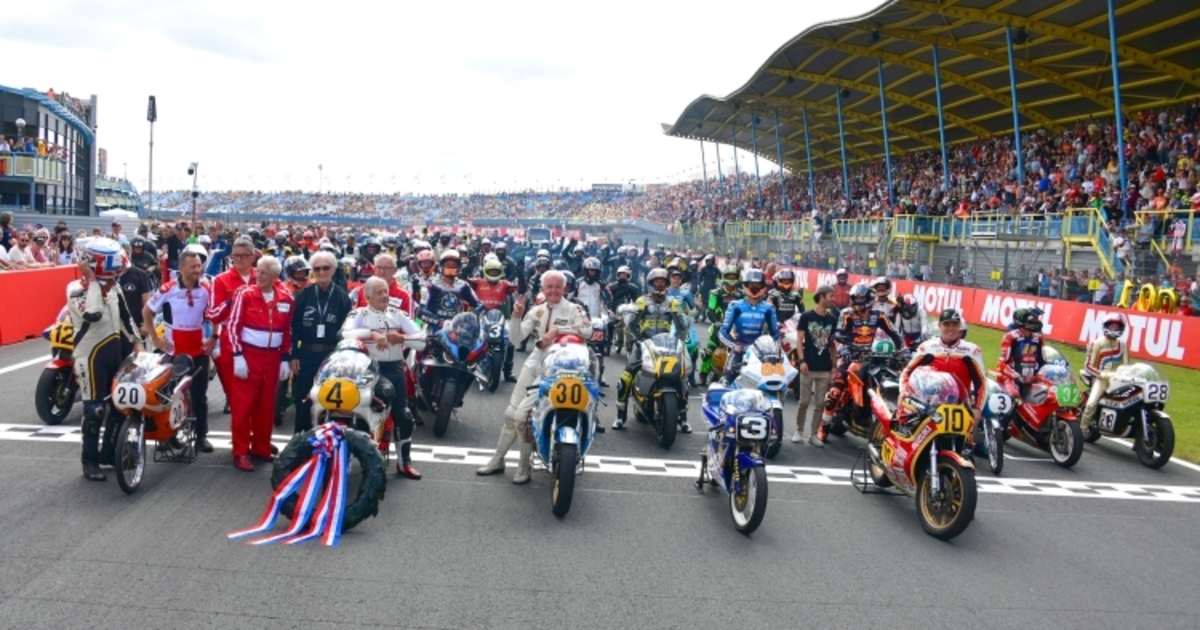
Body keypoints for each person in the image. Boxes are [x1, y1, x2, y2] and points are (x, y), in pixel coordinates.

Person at [478, 271, 590, 483]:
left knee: (522, 418)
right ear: (543, 289)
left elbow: (587, 331)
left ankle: (523, 467)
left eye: (558, 286)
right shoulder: (536, 311)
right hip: (535, 362)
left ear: (564, 289)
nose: (553, 290)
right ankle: (498, 460)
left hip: (560, 365)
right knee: (510, 414)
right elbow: (515, 338)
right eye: (549, 287)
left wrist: (556, 331)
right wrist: (516, 316)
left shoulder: (575, 309)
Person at [67, 238, 143, 480]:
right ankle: (89, 461)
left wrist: (137, 341)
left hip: (114, 352)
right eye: (109, 278)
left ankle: (109, 453)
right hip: (89, 357)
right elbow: (93, 313)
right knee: (95, 409)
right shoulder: (75, 289)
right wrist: (93, 282)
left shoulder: (114, 286)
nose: (113, 282)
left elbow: (125, 315)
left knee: (120, 405)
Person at [341, 276, 426, 479]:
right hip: (367, 370)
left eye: (386, 291)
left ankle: (404, 463)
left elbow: (421, 340)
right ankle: (345, 462)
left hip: (395, 370)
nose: (384, 295)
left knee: (404, 416)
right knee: (357, 415)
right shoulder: (359, 314)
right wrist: (372, 334)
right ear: (367, 295)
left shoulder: (399, 314)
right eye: (379, 292)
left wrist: (403, 338)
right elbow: (345, 334)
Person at [226, 256, 294, 472]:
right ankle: (241, 451)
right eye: (258, 271)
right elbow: (232, 326)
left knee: (267, 406)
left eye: (264, 273)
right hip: (249, 355)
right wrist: (238, 355)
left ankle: (261, 447)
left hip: (272, 358)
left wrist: (284, 358)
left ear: (275, 277)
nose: (258, 276)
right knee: (243, 406)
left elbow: (287, 331)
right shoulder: (244, 294)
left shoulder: (286, 299)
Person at [143, 248, 214, 452]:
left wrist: (213, 337)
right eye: (192, 266)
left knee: (199, 396)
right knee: (171, 397)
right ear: (181, 268)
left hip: (199, 352)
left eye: (199, 266)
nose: (197, 270)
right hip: (175, 353)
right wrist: (156, 339)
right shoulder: (168, 288)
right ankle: (167, 436)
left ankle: (201, 436)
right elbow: (147, 311)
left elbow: (219, 313)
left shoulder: (208, 287)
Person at [817, 282, 903, 442]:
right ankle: (824, 426)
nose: (857, 302)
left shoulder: (879, 315)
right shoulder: (847, 314)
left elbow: (894, 333)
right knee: (834, 393)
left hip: (873, 357)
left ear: (869, 299)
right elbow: (839, 332)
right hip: (850, 356)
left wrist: (901, 349)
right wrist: (846, 342)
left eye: (860, 299)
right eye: (855, 298)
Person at [613, 268, 690, 432]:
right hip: (643, 344)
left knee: (682, 376)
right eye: (657, 282)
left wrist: (680, 340)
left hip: (666, 344)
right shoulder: (641, 301)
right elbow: (632, 323)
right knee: (626, 377)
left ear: (667, 284)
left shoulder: (673, 303)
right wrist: (637, 339)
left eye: (663, 282)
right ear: (650, 284)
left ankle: (683, 418)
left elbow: (682, 326)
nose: (660, 285)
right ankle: (620, 416)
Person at [289, 250, 354, 433]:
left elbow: (347, 332)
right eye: (317, 269)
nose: (321, 272)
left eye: (326, 268)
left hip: (331, 356)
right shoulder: (303, 296)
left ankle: (326, 442)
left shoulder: (343, 298)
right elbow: (294, 328)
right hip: (306, 355)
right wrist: (294, 355)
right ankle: (299, 441)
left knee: (329, 402)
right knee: (303, 399)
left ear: (333, 270)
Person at [896, 309, 986, 432]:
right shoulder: (927, 347)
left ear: (960, 326)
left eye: (955, 324)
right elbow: (907, 371)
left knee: (969, 446)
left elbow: (981, 383)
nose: (951, 328)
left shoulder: (972, 350)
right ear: (939, 326)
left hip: (960, 407)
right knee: (906, 430)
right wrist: (904, 391)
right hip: (929, 405)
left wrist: (977, 408)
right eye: (946, 324)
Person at [206, 236, 257, 414]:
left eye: (244, 255)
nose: (239, 259)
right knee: (236, 394)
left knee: (258, 394)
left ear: (253, 256)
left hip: (259, 340)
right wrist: (232, 301)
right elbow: (212, 314)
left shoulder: (262, 276)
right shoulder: (220, 280)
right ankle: (239, 437)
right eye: (236, 255)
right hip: (232, 340)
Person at [717, 268, 780, 384]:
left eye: (758, 284)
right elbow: (722, 332)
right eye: (751, 284)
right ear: (745, 285)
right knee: (726, 380)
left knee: (775, 382)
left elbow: (775, 334)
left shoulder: (769, 308)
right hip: (739, 351)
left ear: (763, 286)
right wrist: (734, 345)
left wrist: (775, 351)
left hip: (761, 354)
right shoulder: (735, 306)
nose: (754, 287)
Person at [792, 285, 837, 446]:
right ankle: (798, 430)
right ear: (822, 296)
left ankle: (812, 435)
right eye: (831, 296)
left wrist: (834, 366)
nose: (833, 299)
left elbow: (832, 345)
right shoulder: (806, 316)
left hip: (825, 368)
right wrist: (802, 361)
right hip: (808, 366)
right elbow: (799, 341)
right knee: (804, 402)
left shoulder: (832, 319)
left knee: (820, 404)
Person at [469, 257, 519, 381]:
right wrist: (468, 267)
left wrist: (520, 273)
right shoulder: (478, 282)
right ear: (485, 271)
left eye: (496, 272)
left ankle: (508, 371)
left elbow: (518, 288)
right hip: (480, 316)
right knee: (469, 337)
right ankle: (466, 364)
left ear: (501, 272)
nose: (493, 274)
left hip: (500, 317)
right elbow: (464, 281)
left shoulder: (505, 284)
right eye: (490, 272)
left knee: (511, 341)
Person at [1079, 313, 1128, 434]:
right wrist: (1103, 375)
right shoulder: (1097, 343)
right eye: (1111, 327)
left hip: (1118, 380)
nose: (1114, 330)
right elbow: (1088, 366)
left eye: (1116, 327)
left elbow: (1126, 365)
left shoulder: (1123, 345)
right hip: (1101, 379)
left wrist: (1127, 375)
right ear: (1106, 327)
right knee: (1091, 404)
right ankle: (1082, 429)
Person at [996, 307, 1046, 405]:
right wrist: (1016, 376)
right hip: (1011, 379)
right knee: (1014, 398)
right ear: (1021, 323)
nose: (1036, 323)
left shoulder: (1039, 338)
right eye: (1031, 322)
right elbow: (1002, 363)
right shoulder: (1010, 337)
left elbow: (1043, 361)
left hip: (1032, 379)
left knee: (1046, 396)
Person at [418, 249, 479, 330]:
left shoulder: (463, 286)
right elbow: (420, 312)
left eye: (453, 265)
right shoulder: (431, 285)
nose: (450, 267)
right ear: (441, 266)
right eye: (447, 265)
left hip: (457, 330)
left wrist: (467, 318)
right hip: (435, 329)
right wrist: (439, 322)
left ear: (459, 267)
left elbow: (477, 305)